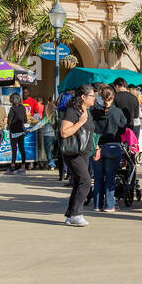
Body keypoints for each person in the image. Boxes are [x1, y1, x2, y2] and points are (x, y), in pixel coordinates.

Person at [60, 84, 99, 226]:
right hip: (73, 152)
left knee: (78, 182)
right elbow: (64, 132)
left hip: (84, 152)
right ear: (83, 97)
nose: (95, 98)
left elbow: (89, 132)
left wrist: (97, 147)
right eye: (92, 96)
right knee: (86, 181)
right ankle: (76, 214)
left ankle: (71, 214)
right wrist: (80, 122)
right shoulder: (73, 111)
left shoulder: (87, 111)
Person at [91, 86, 128, 212]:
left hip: (97, 146)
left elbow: (90, 127)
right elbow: (123, 128)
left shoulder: (93, 111)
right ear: (113, 97)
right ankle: (109, 205)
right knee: (110, 177)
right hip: (112, 145)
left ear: (101, 96)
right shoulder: (117, 112)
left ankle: (97, 204)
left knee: (98, 177)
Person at [112, 78, 141, 144]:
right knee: (129, 151)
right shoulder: (134, 98)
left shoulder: (114, 97)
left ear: (116, 86)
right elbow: (136, 116)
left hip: (117, 130)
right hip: (131, 128)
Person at [7, 92, 29, 172]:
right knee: (22, 148)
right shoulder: (23, 107)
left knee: (14, 149)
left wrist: (8, 126)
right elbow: (25, 120)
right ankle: (23, 167)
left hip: (13, 131)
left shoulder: (12, 108)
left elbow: (9, 120)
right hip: (21, 130)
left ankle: (12, 167)